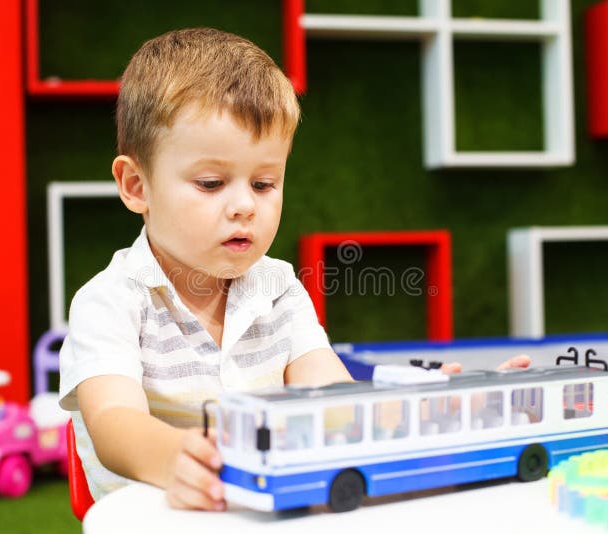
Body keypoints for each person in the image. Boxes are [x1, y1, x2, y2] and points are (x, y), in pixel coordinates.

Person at [58, 27, 530, 512]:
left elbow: (334, 400)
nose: (244, 205)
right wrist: (173, 457)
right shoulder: (109, 301)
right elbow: (113, 422)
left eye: (264, 183)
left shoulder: (279, 289)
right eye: (211, 182)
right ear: (136, 185)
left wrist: (435, 407)